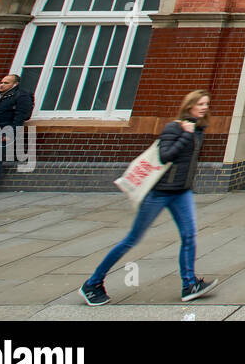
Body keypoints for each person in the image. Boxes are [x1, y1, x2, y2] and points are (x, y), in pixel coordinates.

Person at [79, 90, 219, 306]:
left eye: (206, 104)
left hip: (181, 192)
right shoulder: (176, 127)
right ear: (189, 105)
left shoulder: (198, 129)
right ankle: (93, 283)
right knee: (132, 240)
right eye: (200, 103)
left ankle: (189, 284)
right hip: (159, 193)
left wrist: (191, 135)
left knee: (189, 236)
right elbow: (165, 155)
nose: (204, 107)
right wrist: (185, 135)